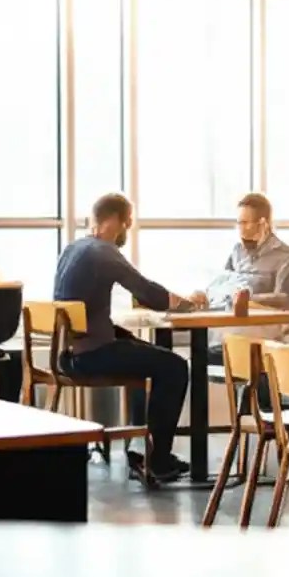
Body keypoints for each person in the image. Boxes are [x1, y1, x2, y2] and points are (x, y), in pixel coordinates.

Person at [54, 193, 193, 483]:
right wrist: (183, 302)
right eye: (128, 222)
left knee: (151, 357)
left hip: (67, 352)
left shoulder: (74, 248)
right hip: (89, 355)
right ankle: (158, 461)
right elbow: (147, 292)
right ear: (117, 220)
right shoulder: (104, 252)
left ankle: (144, 452)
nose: (127, 230)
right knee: (175, 367)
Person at [195, 193, 289, 410]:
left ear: (262, 224)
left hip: (262, 336)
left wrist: (247, 298)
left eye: (245, 223)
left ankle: (262, 420)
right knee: (193, 359)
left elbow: (285, 299)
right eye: (238, 223)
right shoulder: (237, 252)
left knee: (251, 364)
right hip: (228, 335)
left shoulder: (288, 258)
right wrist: (205, 295)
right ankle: (240, 424)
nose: (240, 228)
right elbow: (223, 283)